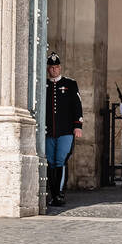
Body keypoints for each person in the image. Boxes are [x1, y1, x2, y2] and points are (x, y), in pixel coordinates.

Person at [45, 51, 83, 207]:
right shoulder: (44, 85)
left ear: (60, 68)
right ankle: (52, 194)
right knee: (50, 162)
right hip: (49, 131)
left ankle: (59, 193)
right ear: (48, 69)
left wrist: (77, 126)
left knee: (60, 160)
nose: (54, 70)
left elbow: (77, 106)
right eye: (51, 67)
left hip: (66, 130)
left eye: (56, 67)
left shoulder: (70, 84)